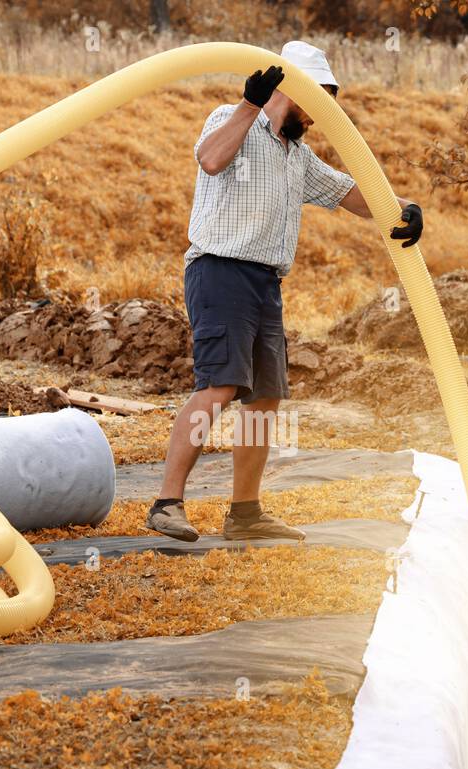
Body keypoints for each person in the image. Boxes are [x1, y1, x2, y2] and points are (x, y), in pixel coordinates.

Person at [147, 40, 424, 542]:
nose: (318, 119)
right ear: (289, 91)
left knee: (265, 398)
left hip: (265, 282)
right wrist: (249, 103)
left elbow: (351, 194)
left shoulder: (298, 157)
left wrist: (401, 206)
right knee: (219, 386)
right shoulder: (230, 120)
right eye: (314, 105)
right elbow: (210, 160)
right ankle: (167, 503)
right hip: (220, 270)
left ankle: (245, 514)